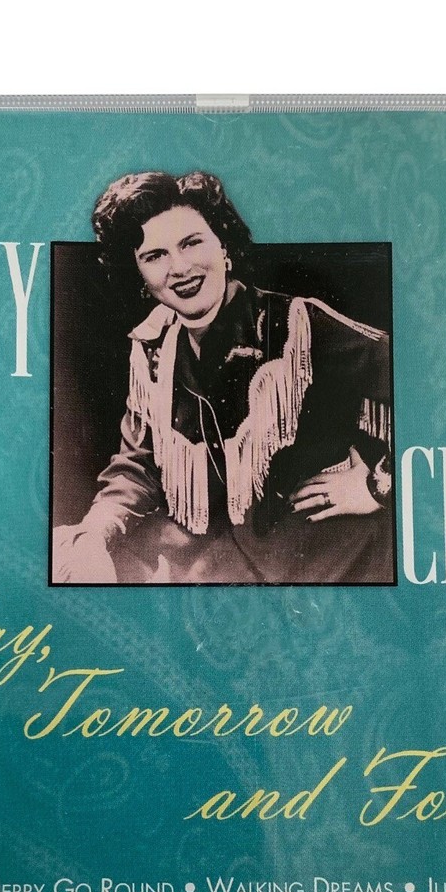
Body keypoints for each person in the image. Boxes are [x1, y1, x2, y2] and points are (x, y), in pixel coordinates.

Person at [53, 170, 393, 585]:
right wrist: (95, 531)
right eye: (155, 256)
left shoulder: (298, 324)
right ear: (139, 274)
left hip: (332, 561)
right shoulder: (152, 347)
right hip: (224, 564)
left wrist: (378, 485)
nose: (180, 268)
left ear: (224, 244)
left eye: (191, 242)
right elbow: (138, 464)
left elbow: (422, 389)